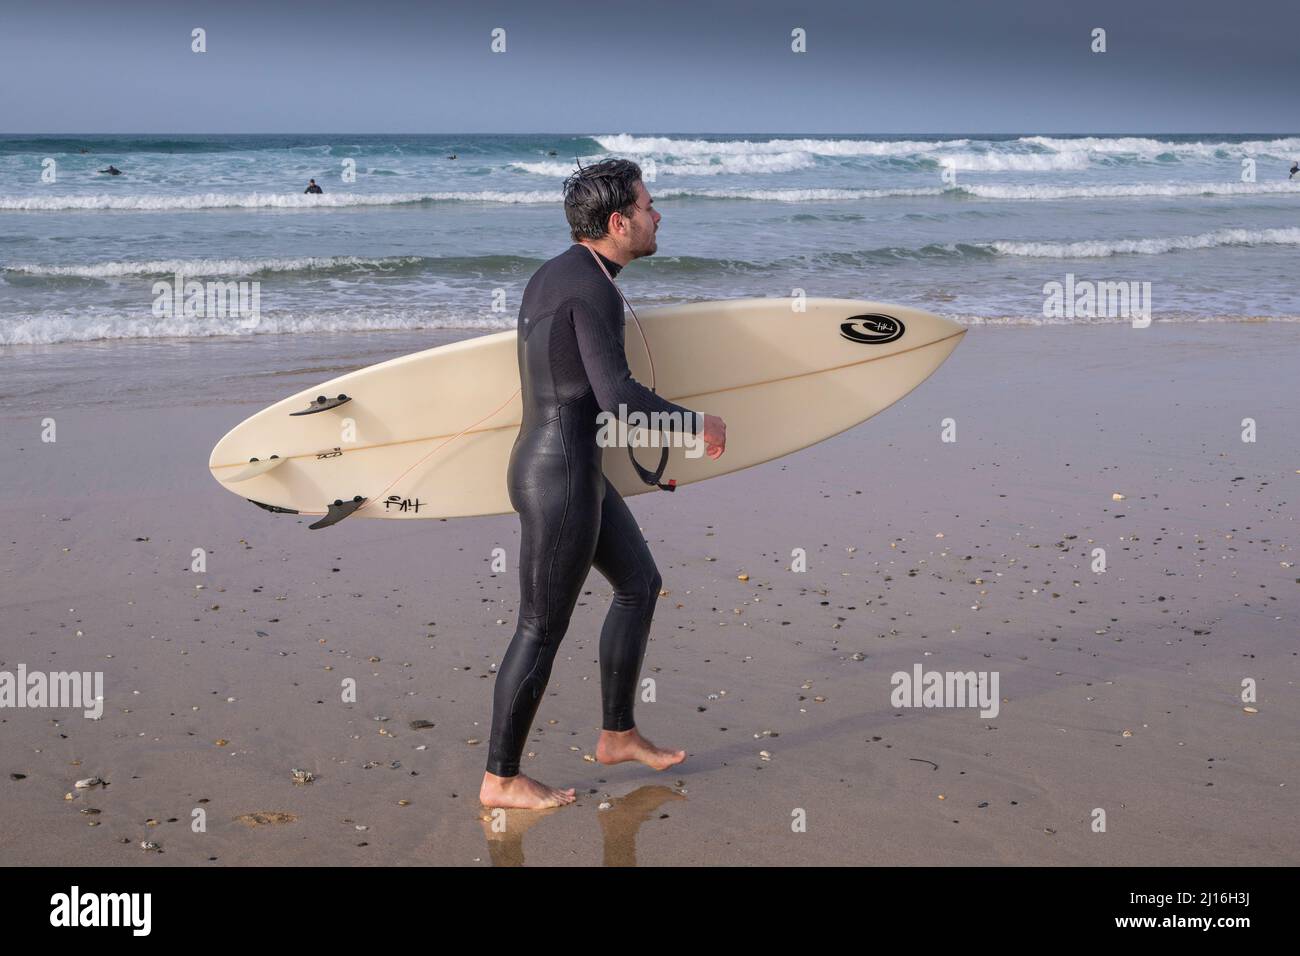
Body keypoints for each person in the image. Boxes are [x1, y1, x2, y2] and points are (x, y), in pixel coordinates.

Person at [480, 159, 727, 810]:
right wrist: (696, 425)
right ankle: (500, 778)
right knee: (539, 628)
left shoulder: (567, 275)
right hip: (559, 477)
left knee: (640, 584)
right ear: (618, 222)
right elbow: (617, 398)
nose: (657, 215)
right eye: (648, 206)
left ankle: (618, 734)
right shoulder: (587, 288)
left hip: (570, 468)